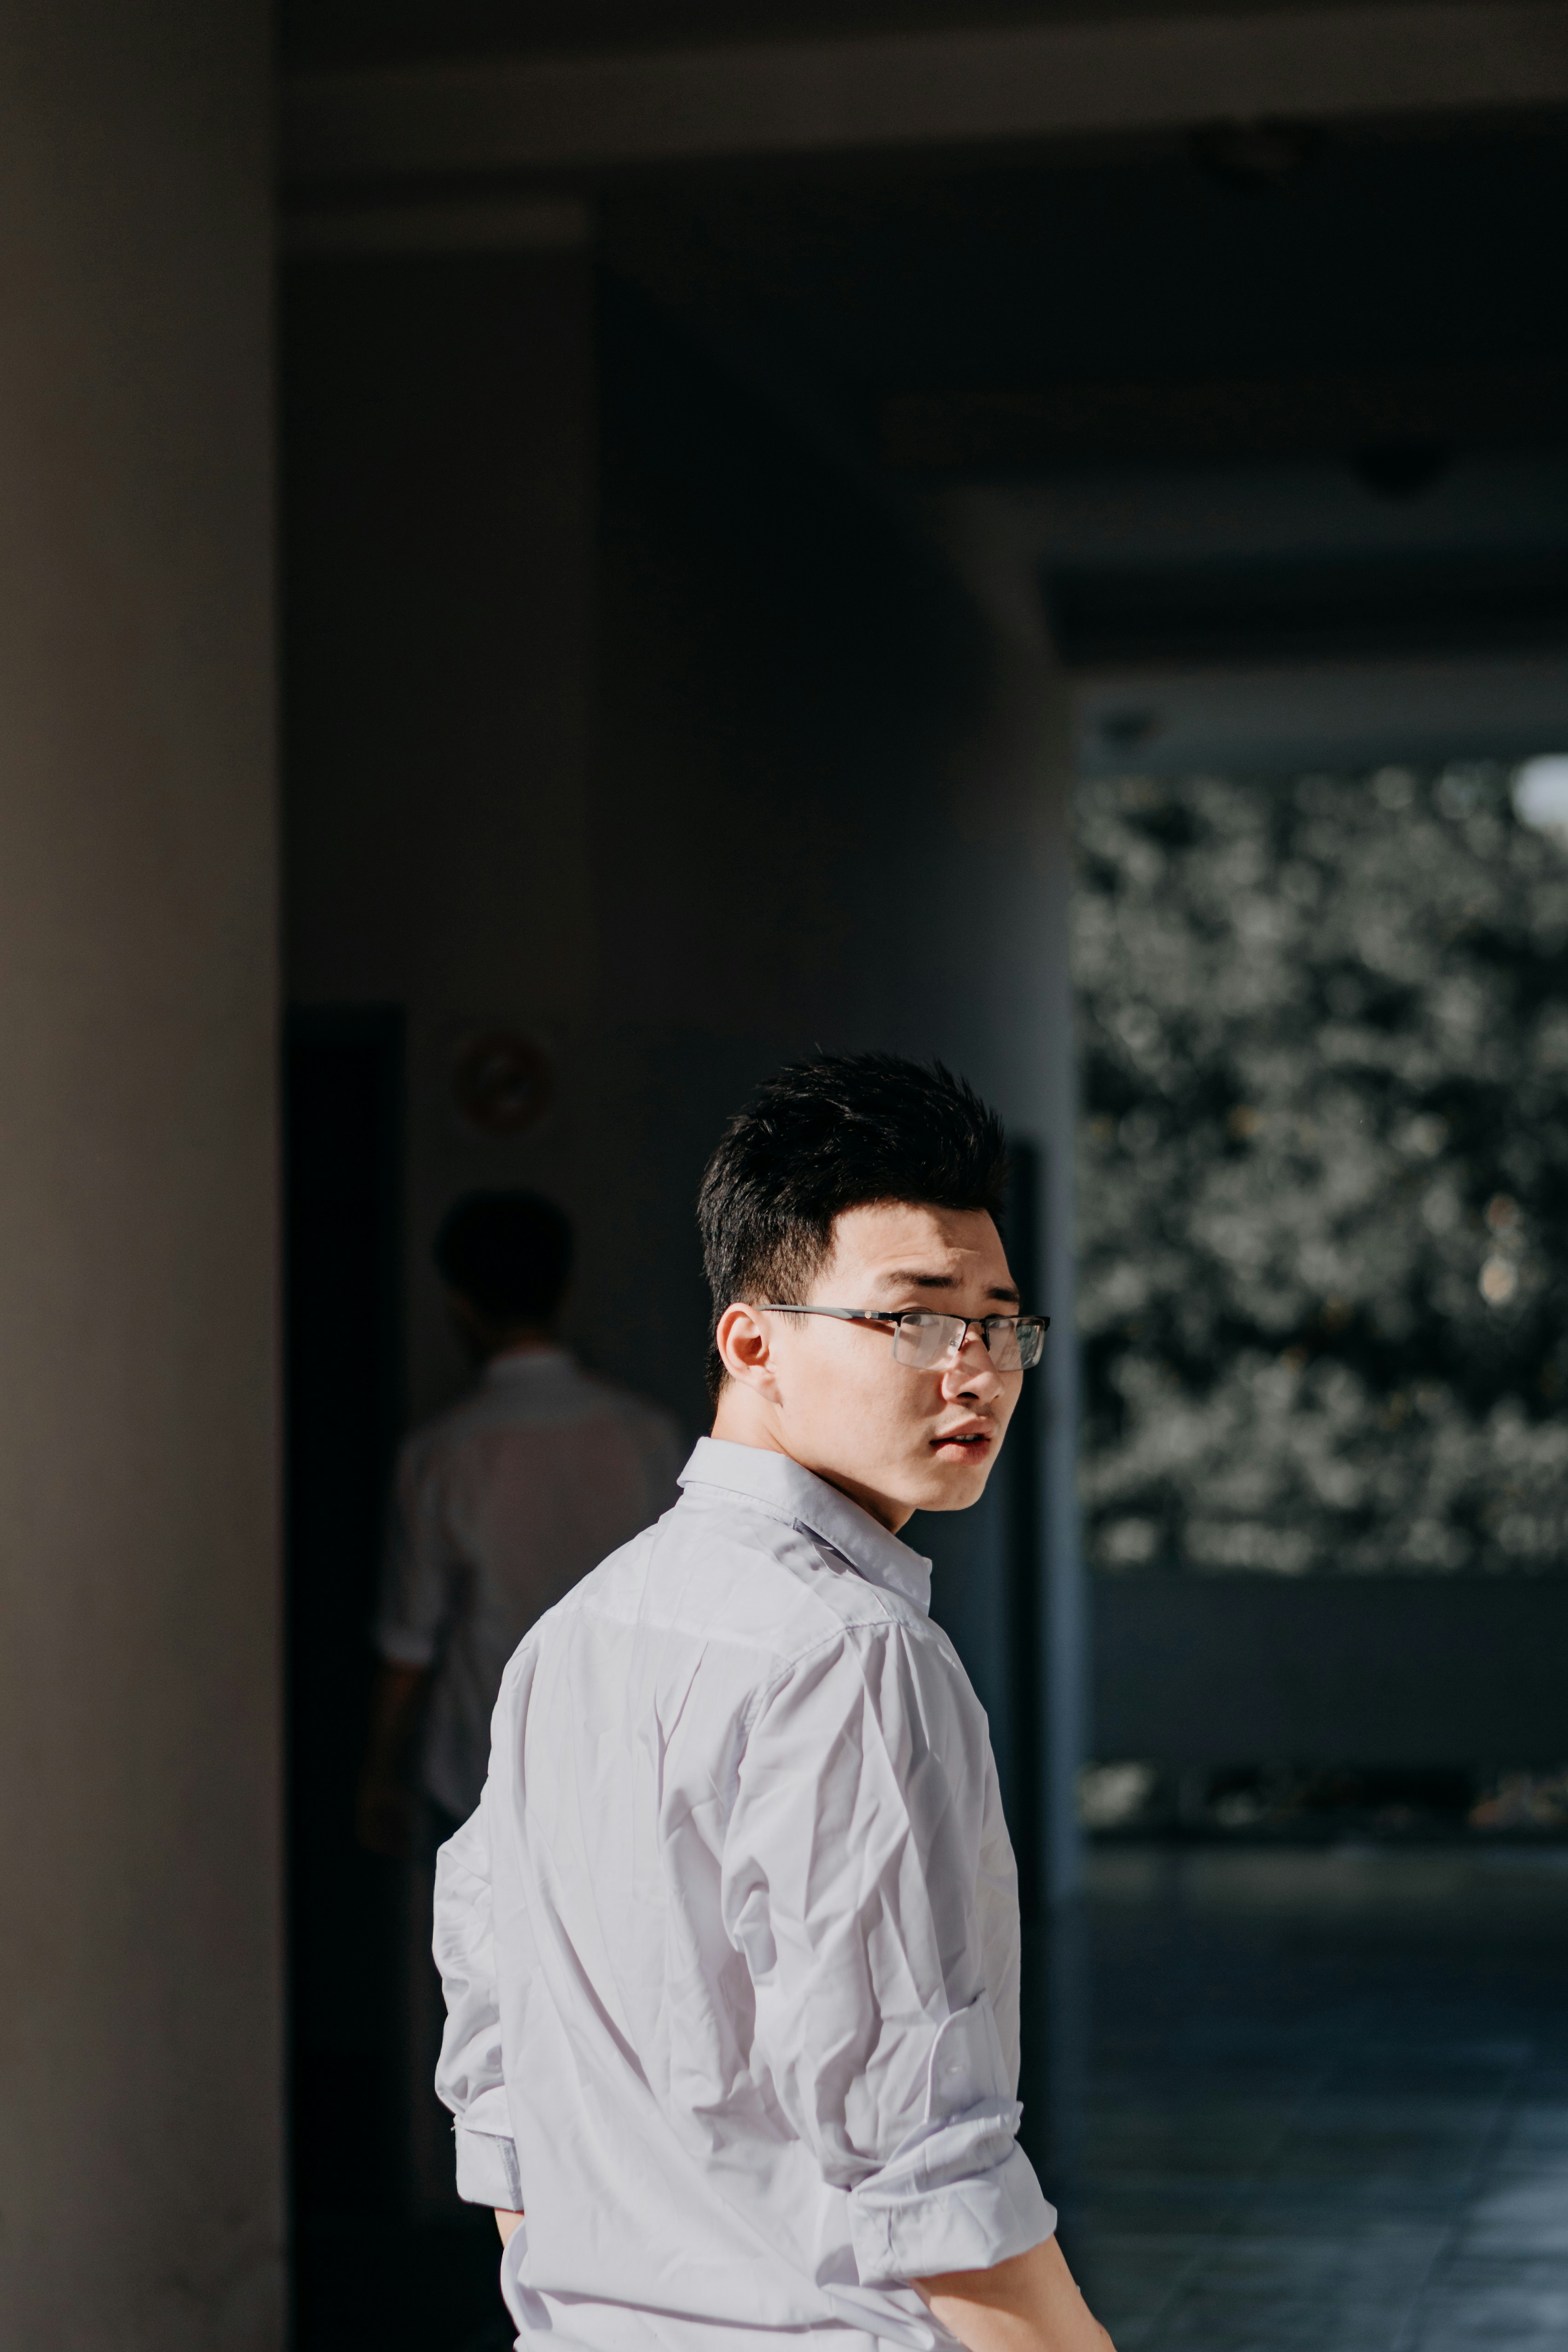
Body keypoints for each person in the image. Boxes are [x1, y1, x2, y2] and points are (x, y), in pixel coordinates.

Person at [434, 1057, 1115, 2352]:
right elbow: (932, 2167)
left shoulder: (576, 1633)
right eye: (914, 1320)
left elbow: (495, 2071)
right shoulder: (854, 1653)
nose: (974, 1370)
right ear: (752, 1342)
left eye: (999, 1323)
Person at [357, 1189, 685, 1855]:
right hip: (625, 1774)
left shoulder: (440, 1455)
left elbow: (409, 1646)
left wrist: (377, 1774)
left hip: (483, 1776)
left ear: (459, 1303)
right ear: (563, 1290)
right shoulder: (651, 1437)